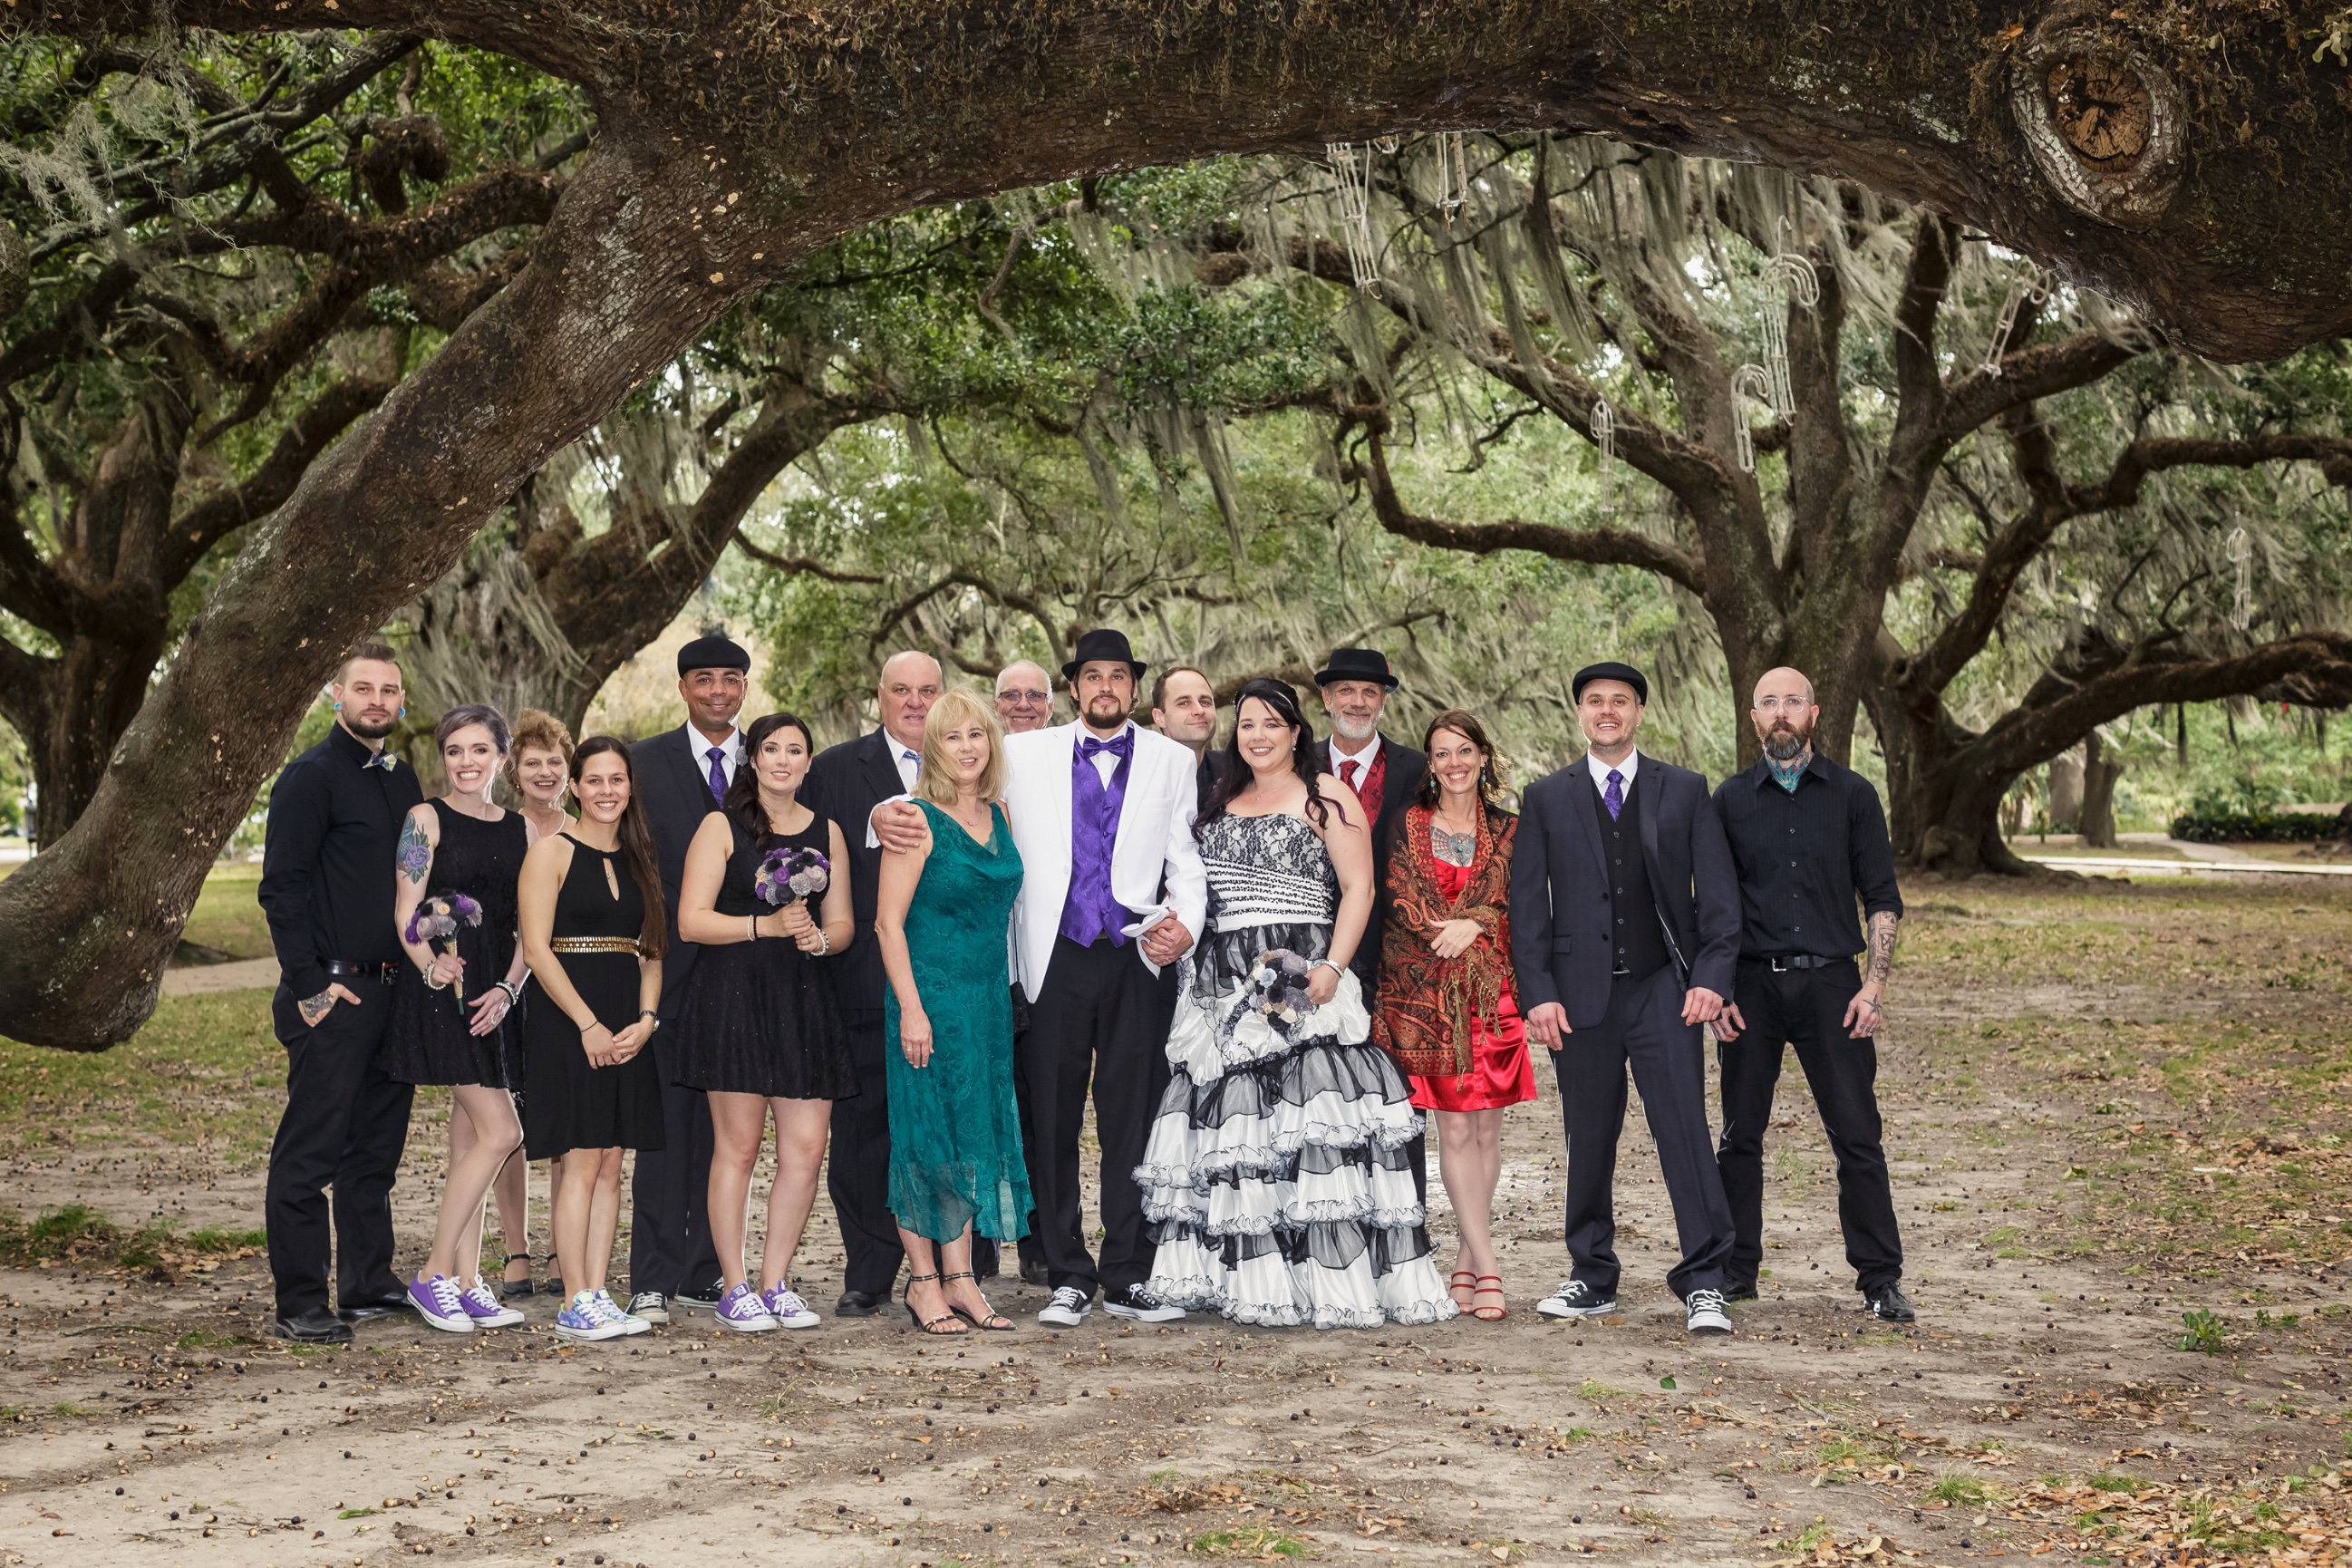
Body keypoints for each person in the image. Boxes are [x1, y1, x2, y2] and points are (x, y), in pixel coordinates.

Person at [883, 629, 1207, 1329]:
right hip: (1051, 959)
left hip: (1135, 955)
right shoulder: (1025, 752)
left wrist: (1184, 920)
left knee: (1132, 1121)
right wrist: (881, 814)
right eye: (1092, 676)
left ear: (1132, 688)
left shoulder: (1172, 760)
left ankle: (1125, 1270)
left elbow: (1185, 858)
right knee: (1050, 1121)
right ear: (1074, 688)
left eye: (1117, 676)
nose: (1104, 688)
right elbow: (942, 791)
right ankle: (1065, 1271)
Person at [1137, 678, 1456, 1328]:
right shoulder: (1218, 798)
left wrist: (1333, 967)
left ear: (1295, 732)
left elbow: (1359, 888)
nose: (1257, 735)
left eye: (1270, 724)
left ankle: (1325, 1283)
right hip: (1223, 974)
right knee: (1235, 1128)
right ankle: (1244, 1281)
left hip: (1297, 966)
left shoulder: (1327, 797)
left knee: (1306, 1121)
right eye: (1246, 725)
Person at [1512, 662, 1742, 1337]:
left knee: (1684, 1135)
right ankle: (1590, 1275)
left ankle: (1705, 1281)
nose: (1606, 711)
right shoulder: (1546, 797)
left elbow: (1720, 902)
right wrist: (1538, 995)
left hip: (1663, 993)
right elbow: (1527, 908)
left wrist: (1709, 977)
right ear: (1579, 714)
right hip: (1577, 1000)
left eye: (1619, 701)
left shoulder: (1684, 790)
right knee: (1588, 1139)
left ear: (1639, 712)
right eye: (1593, 702)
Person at [1710, 667, 1912, 1321]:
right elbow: (1711, 905)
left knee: (1857, 1134)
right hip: (1750, 987)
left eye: (1791, 702)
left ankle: (1879, 1280)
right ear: (1752, 717)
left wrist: (1873, 986)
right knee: (1739, 1135)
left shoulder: (1853, 795)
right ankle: (1735, 1272)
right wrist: (1716, 989)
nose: (1780, 713)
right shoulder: (1728, 800)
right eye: (1768, 702)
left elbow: (1880, 898)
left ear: (1814, 713)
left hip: (1834, 985)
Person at [258, 643, 425, 1344]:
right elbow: (281, 888)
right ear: (337, 696)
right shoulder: (311, 778)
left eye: (388, 690)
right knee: (310, 1155)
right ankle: (301, 1301)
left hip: (394, 995)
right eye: (364, 688)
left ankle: (365, 1281)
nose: (377, 700)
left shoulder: (401, 778)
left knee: (374, 1153)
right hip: (332, 994)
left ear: (400, 702)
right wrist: (309, 985)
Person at [672, 712, 857, 1332]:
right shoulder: (719, 826)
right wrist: (765, 925)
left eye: (795, 750)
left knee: (805, 1150)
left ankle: (776, 1281)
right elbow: (691, 921)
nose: (782, 759)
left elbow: (843, 924)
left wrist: (819, 942)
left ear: (809, 762)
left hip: (805, 999)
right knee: (740, 1147)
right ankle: (734, 1285)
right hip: (733, 997)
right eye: (770, 749)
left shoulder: (826, 830)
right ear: (752, 758)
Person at [874, 689, 1030, 1335]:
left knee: (974, 1133)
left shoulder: (1000, 814)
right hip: (928, 999)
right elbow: (886, 924)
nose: (967, 747)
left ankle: (963, 1278)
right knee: (926, 1135)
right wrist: (912, 1009)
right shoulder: (913, 819)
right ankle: (923, 1283)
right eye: (951, 737)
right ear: (931, 749)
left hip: (986, 999)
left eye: (976, 735)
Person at [1371, 711, 1533, 1324]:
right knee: (1454, 1133)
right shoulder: (1407, 826)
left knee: (1489, 1134)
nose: (1454, 763)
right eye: (1441, 754)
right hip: (1428, 1005)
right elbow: (1401, 900)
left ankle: (1466, 1257)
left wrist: (1478, 924)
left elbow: (1521, 903)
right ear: (1429, 765)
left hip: (1495, 1003)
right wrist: (1451, 929)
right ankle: (1489, 1267)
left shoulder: (1512, 829)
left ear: (1483, 756)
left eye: (1463, 751)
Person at [382, 703, 532, 1333]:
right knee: (504, 1132)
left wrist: (509, 985)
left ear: (501, 757)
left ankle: (469, 1283)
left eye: (479, 750)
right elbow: (406, 911)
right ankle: (434, 1274)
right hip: (446, 993)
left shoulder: (522, 829)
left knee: (472, 1138)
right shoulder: (424, 820)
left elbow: (531, 925)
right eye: (454, 751)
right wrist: (430, 965)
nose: (465, 762)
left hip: (497, 992)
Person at [805, 649, 944, 1316]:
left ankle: (955, 1260)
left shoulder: (967, 760)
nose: (915, 702)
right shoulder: (834, 768)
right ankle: (869, 1267)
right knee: (862, 1130)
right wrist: (866, 827)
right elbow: (799, 853)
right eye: (901, 691)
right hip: (861, 974)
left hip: (947, 972)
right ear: (879, 696)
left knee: (943, 1119)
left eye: (927, 690)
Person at [518, 736, 668, 1342]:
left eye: (618, 779)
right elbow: (535, 950)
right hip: (568, 1019)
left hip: (627, 1021)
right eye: (595, 780)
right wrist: (588, 1024)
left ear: (630, 786)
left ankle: (598, 1292)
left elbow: (652, 950)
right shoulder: (550, 853)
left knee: (612, 1163)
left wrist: (647, 1020)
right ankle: (574, 1298)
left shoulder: (641, 858)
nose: (607, 791)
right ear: (575, 786)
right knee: (580, 1160)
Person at [624, 635, 749, 1321]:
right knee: (664, 1129)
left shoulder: (769, 760)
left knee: (727, 1133)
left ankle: (708, 1268)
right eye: (705, 680)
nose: (718, 692)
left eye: (731, 679)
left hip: (746, 974)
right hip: (667, 966)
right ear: (682, 688)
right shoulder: (643, 764)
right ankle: (652, 1273)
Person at [494, 709, 576, 1300]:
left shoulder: (588, 830)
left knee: (564, 1125)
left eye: (555, 762)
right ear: (514, 772)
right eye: (533, 763)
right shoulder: (499, 830)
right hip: (507, 987)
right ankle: (515, 1248)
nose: (545, 772)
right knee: (508, 1127)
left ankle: (560, 1249)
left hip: (569, 991)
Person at [1312, 648, 1427, 995]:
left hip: (1397, 959)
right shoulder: (1298, 767)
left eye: (1370, 692)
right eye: (1346, 690)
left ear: (1383, 702)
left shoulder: (1418, 770)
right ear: (1327, 698)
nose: (1358, 702)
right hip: (1314, 947)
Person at [1151, 664, 1227, 815]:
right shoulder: (1140, 777)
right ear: (1160, 718)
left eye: (1205, 702)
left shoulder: (1233, 770)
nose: (1199, 710)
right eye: (1184, 703)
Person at [993, 660, 1055, 734]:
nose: (1023, 705)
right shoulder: (978, 745)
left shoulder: (1068, 745)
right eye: (1012, 695)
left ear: (1050, 707)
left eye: (1034, 696)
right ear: (996, 706)